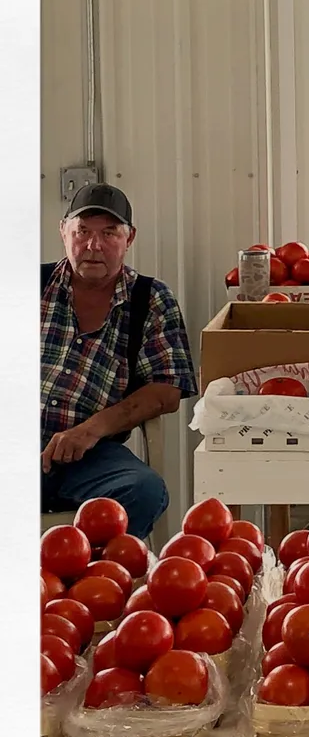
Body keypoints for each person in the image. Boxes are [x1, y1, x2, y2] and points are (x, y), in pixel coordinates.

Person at [41, 183, 198, 539]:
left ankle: (92, 582)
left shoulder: (150, 298)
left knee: (144, 490)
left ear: (130, 238)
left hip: (90, 454)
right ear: (64, 232)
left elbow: (166, 391)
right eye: (83, 231)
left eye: (109, 233)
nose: (93, 246)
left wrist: (90, 429)